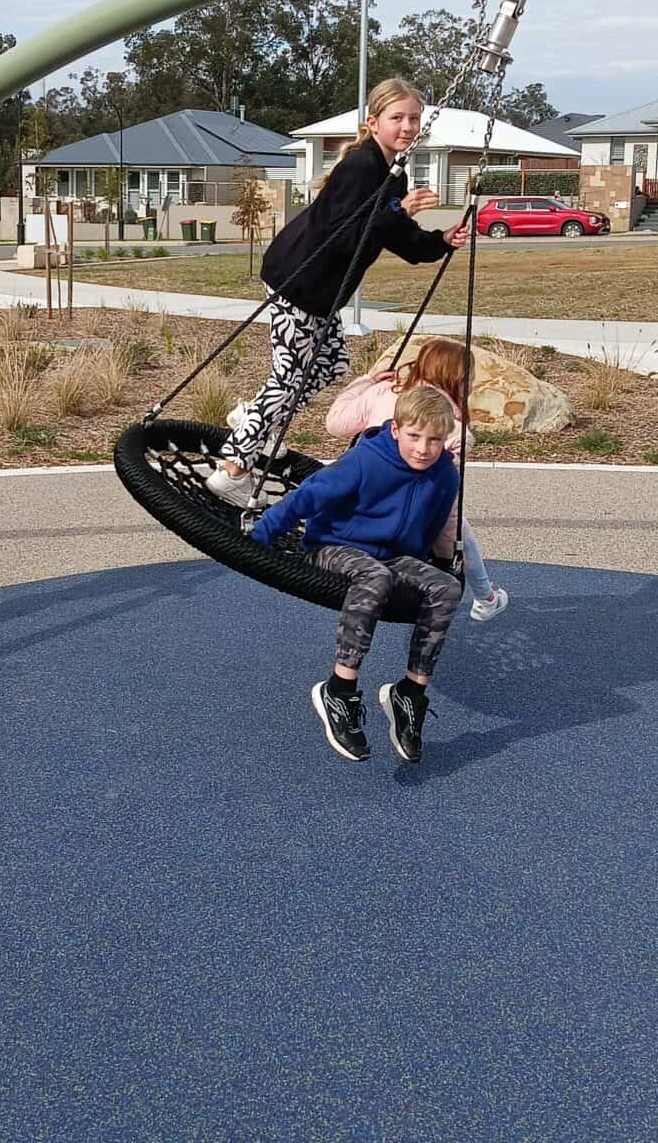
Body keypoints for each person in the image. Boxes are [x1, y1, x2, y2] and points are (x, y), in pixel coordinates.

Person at [208, 77, 470, 504]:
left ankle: (254, 418)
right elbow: (344, 235)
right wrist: (396, 210)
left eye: (414, 118)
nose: (407, 126)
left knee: (331, 364)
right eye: (397, 117)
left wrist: (441, 241)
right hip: (299, 280)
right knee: (288, 377)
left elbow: (398, 238)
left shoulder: (392, 174)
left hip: (322, 293)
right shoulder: (360, 167)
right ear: (373, 121)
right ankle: (233, 468)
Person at [250, 385, 465, 764]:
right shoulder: (366, 460)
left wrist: (441, 566)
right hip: (334, 545)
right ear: (396, 430)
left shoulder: (445, 476)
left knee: (446, 588)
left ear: (445, 439)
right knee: (375, 577)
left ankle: (410, 694)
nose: (423, 448)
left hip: (394, 556)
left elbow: (434, 527)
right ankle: (340, 689)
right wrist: (260, 536)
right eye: (414, 436)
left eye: (434, 440)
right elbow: (309, 495)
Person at [324, 335, 509, 623]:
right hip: (402, 519)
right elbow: (444, 505)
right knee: (459, 527)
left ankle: (486, 596)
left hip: (354, 505)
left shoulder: (383, 391)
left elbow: (335, 423)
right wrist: (447, 560)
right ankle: (485, 597)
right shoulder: (450, 429)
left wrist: (365, 382)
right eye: (470, 377)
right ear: (456, 380)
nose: (473, 384)